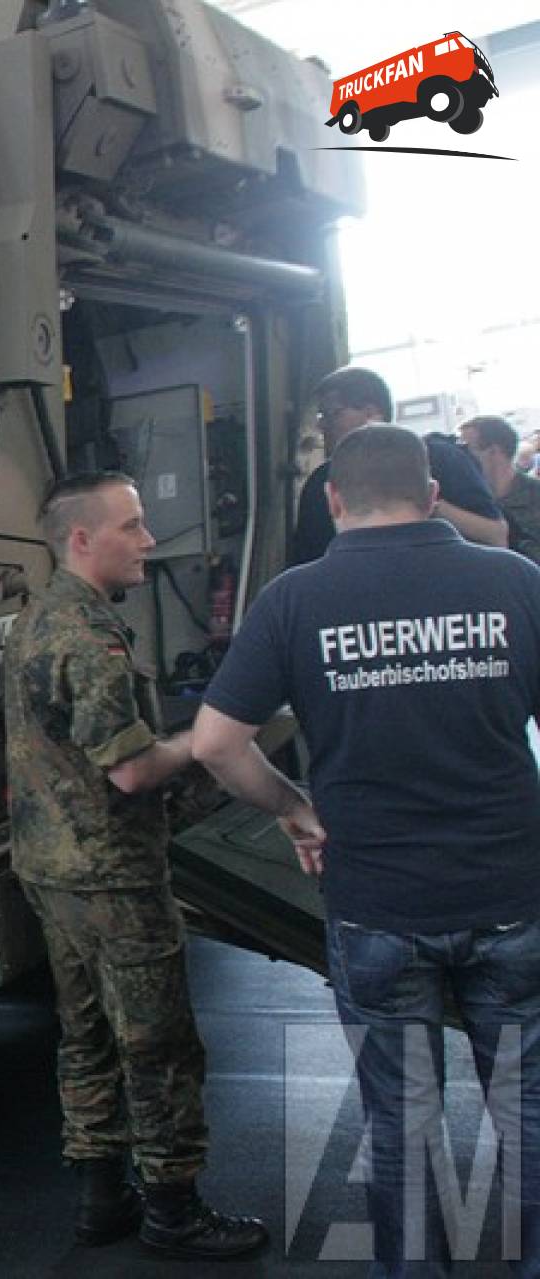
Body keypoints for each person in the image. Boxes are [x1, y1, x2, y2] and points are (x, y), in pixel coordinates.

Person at [193, 426, 540, 1276]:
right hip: (510, 896)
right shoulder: (514, 581)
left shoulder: (294, 599)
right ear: (430, 495)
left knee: (404, 1122)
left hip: (380, 907)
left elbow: (214, 742)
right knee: (530, 1112)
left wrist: (297, 809)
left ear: (335, 501)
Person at [4, 471, 267, 1260]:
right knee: (158, 1044)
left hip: (50, 869)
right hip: (112, 873)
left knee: (85, 1034)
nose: (149, 541)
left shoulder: (36, 620)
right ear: (82, 538)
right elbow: (129, 770)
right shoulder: (90, 638)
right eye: (134, 526)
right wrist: (206, 740)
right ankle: (173, 1211)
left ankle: (99, 1197)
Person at [290, 367, 505, 565]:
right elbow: (307, 557)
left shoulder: (441, 459)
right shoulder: (322, 480)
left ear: (371, 413)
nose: (322, 426)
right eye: (321, 417)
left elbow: (495, 534)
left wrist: (431, 507)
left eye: (333, 413)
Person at [459, 414, 540, 564]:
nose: (459, 458)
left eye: (466, 449)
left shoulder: (535, 495)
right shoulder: (465, 503)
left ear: (494, 452)